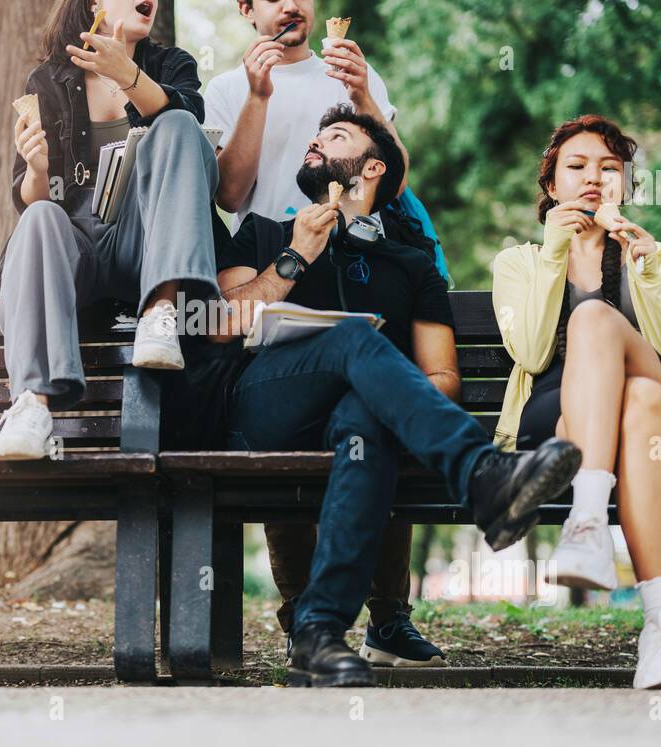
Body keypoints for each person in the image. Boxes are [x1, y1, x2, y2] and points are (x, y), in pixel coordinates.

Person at [207, 104, 582, 687]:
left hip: (354, 421)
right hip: (264, 411)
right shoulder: (261, 233)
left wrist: (393, 391)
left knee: (367, 423)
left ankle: (319, 633)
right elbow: (225, 321)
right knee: (355, 335)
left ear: (373, 167)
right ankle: (481, 475)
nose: (315, 141)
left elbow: (443, 377)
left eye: (334, 135)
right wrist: (296, 256)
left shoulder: (411, 264)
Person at [202, 0, 439, 667]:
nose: (290, 6)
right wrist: (259, 97)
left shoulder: (348, 79)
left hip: (359, 256)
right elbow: (230, 193)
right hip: (276, 261)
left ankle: (387, 611)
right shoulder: (225, 88)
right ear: (248, 9)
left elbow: (392, 171)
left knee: (375, 406)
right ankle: (301, 608)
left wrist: (366, 96)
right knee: (295, 436)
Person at [491, 114, 661, 690]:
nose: (594, 177)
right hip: (559, 415)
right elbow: (534, 350)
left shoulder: (651, 254)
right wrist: (553, 254)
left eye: (609, 169)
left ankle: (586, 522)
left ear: (623, 185)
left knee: (620, 350)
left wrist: (650, 273)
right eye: (577, 166)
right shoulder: (519, 262)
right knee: (636, 398)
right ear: (551, 186)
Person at [0, 0, 221, 460]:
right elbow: (25, 200)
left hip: (148, 238)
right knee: (40, 216)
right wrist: (37, 169)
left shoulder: (169, 65)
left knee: (178, 124)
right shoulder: (49, 80)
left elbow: (188, 116)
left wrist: (128, 76)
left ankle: (160, 312)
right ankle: (31, 404)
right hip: (78, 250)